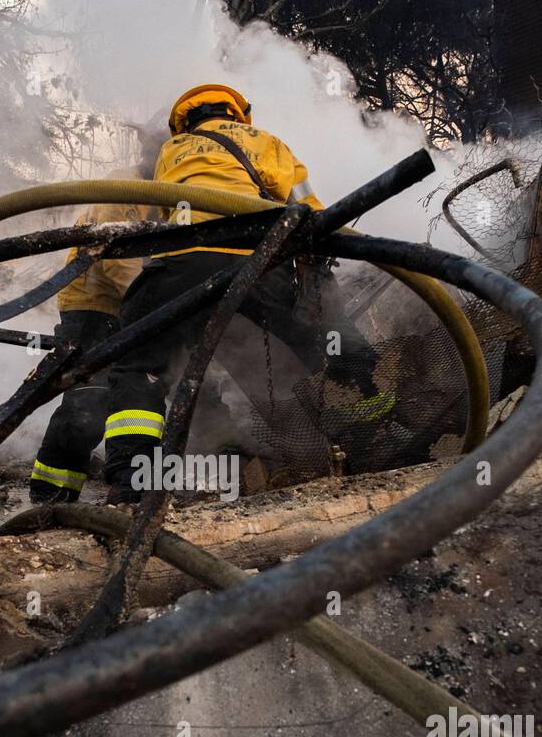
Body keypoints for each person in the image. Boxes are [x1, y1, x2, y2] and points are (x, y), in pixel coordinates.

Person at [102, 83, 392, 501]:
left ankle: (135, 484)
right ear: (238, 113)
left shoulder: (174, 150)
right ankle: (374, 419)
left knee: (138, 364)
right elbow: (308, 209)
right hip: (258, 263)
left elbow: (167, 217)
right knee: (314, 337)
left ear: (183, 121)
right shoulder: (268, 142)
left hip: (187, 261)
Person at [28, 185, 146, 503]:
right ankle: (50, 492)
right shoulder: (124, 191)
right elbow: (120, 263)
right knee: (88, 398)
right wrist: (157, 308)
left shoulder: (155, 197)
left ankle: (126, 487)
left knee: (121, 391)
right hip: (94, 308)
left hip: (119, 307)